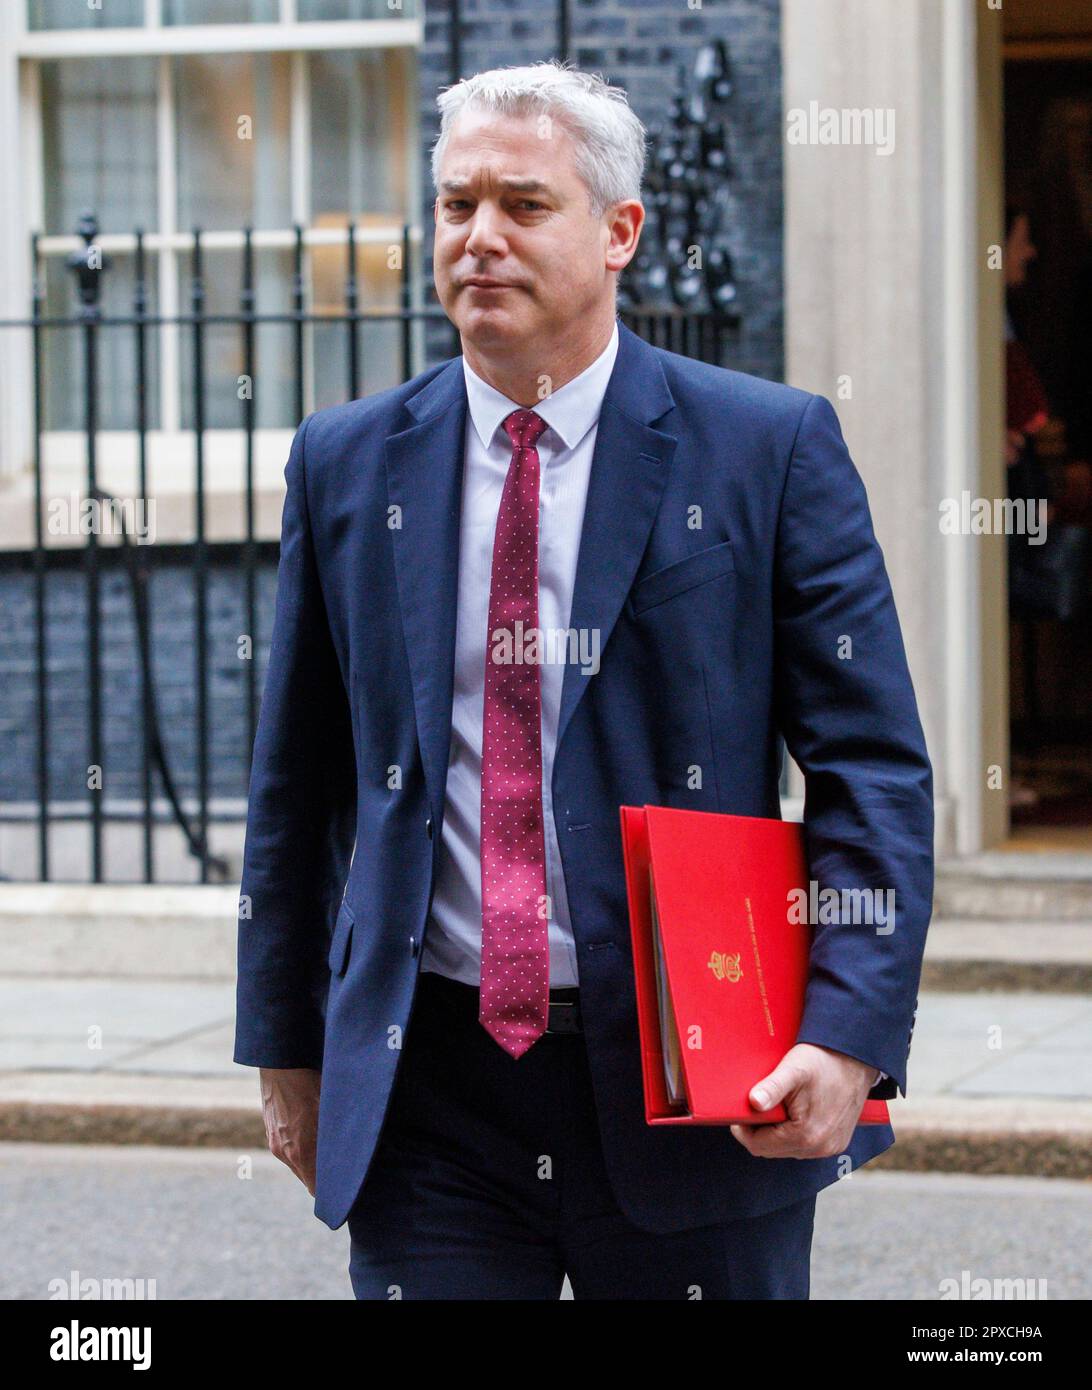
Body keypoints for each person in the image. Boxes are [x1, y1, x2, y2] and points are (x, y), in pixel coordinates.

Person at [234, 61, 934, 1301]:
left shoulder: (766, 447)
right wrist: (285, 1045)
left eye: (524, 205)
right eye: (457, 205)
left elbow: (871, 765)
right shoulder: (346, 462)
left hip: (694, 1073)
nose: (479, 238)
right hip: (432, 1086)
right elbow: (297, 777)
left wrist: (848, 1031)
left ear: (619, 233)